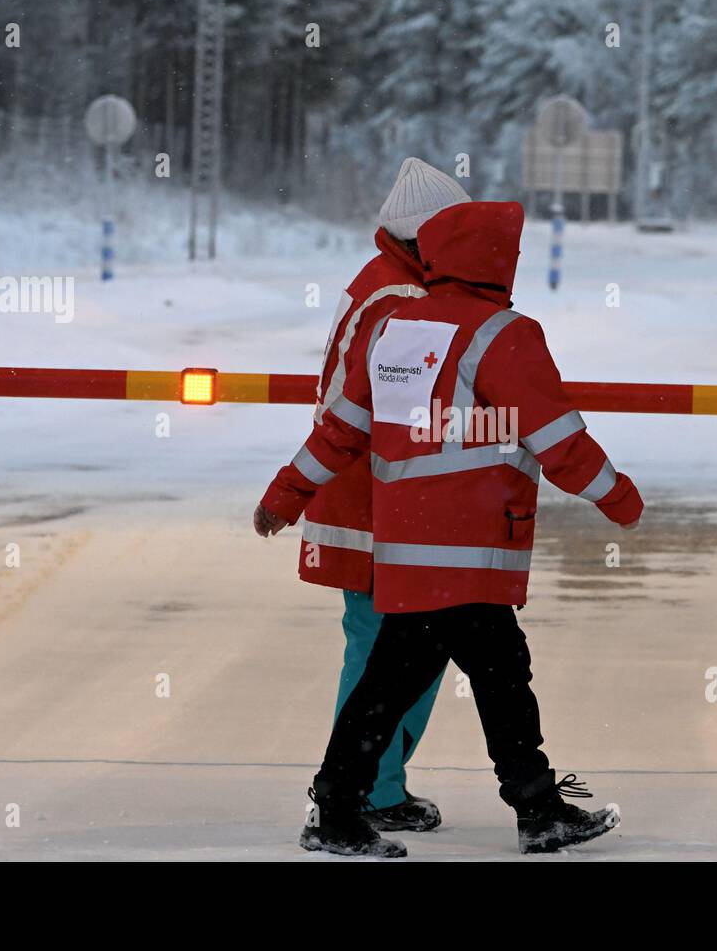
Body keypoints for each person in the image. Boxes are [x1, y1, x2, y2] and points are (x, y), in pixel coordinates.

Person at [254, 199, 644, 857]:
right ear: (496, 261)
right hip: (471, 549)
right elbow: (558, 439)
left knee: (428, 680)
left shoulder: (394, 330)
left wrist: (285, 493)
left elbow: (341, 428)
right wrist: (620, 498)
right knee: (493, 675)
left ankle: (361, 810)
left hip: (408, 549)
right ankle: (522, 808)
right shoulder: (503, 334)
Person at [284, 157, 469, 832]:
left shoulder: (386, 283)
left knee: (390, 641)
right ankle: (368, 789)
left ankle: (370, 784)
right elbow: (406, 410)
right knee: (386, 645)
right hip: (379, 503)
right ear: (430, 237)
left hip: (369, 496)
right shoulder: (404, 300)